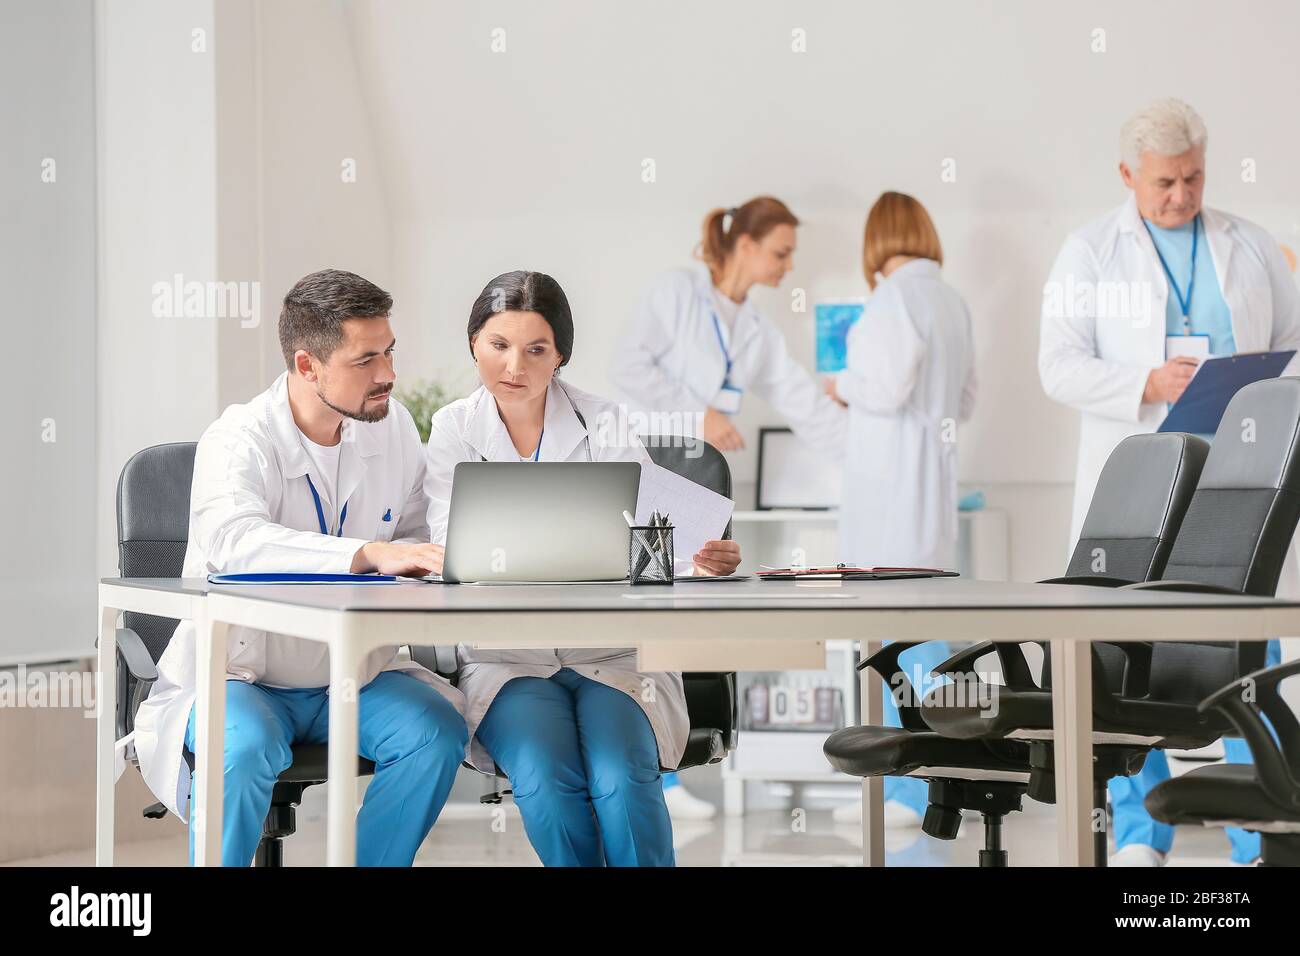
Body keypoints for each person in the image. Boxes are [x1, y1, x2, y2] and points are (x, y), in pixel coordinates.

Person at [133, 269, 469, 867]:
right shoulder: (239, 437)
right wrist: (365, 554)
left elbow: (420, 535)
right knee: (243, 748)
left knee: (434, 733)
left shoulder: (389, 428)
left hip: (354, 676)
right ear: (308, 364)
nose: (388, 373)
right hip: (246, 679)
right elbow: (233, 542)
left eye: (389, 351)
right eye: (366, 359)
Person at [1039, 98, 1300, 866]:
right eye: (1164, 183)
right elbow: (1056, 365)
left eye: (1193, 178)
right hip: (1143, 477)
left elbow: (1291, 346)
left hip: (1238, 485)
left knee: (1250, 645)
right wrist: (1145, 380)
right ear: (1127, 174)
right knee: (1125, 647)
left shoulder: (1250, 245)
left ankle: (1263, 829)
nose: (1182, 196)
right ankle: (1138, 834)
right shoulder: (1087, 252)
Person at [423, 270, 742, 865]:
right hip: (506, 658)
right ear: (474, 345)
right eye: (498, 345)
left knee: (623, 780)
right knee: (549, 779)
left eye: (535, 349)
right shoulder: (454, 429)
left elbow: (650, 544)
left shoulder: (609, 422)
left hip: (614, 654)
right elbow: (450, 547)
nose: (514, 365)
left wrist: (701, 559)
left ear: (560, 355)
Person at [825, 192, 976, 829]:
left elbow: (883, 390)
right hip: (931, 489)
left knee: (892, 638)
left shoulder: (891, 298)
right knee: (924, 632)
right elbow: (965, 401)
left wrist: (839, 385)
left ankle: (906, 788)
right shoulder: (952, 301)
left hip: (887, 493)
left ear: (875, 242)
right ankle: (941, 776)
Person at [610, 196, 844, 455]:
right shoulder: (678, 289)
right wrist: (701, 415)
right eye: (781, 254)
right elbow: (627, 366)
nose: (790, 266)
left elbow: (803, 404)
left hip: (696, 465)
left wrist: (866, 436)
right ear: (746, 246)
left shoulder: (759, 331)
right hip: (639, 455)